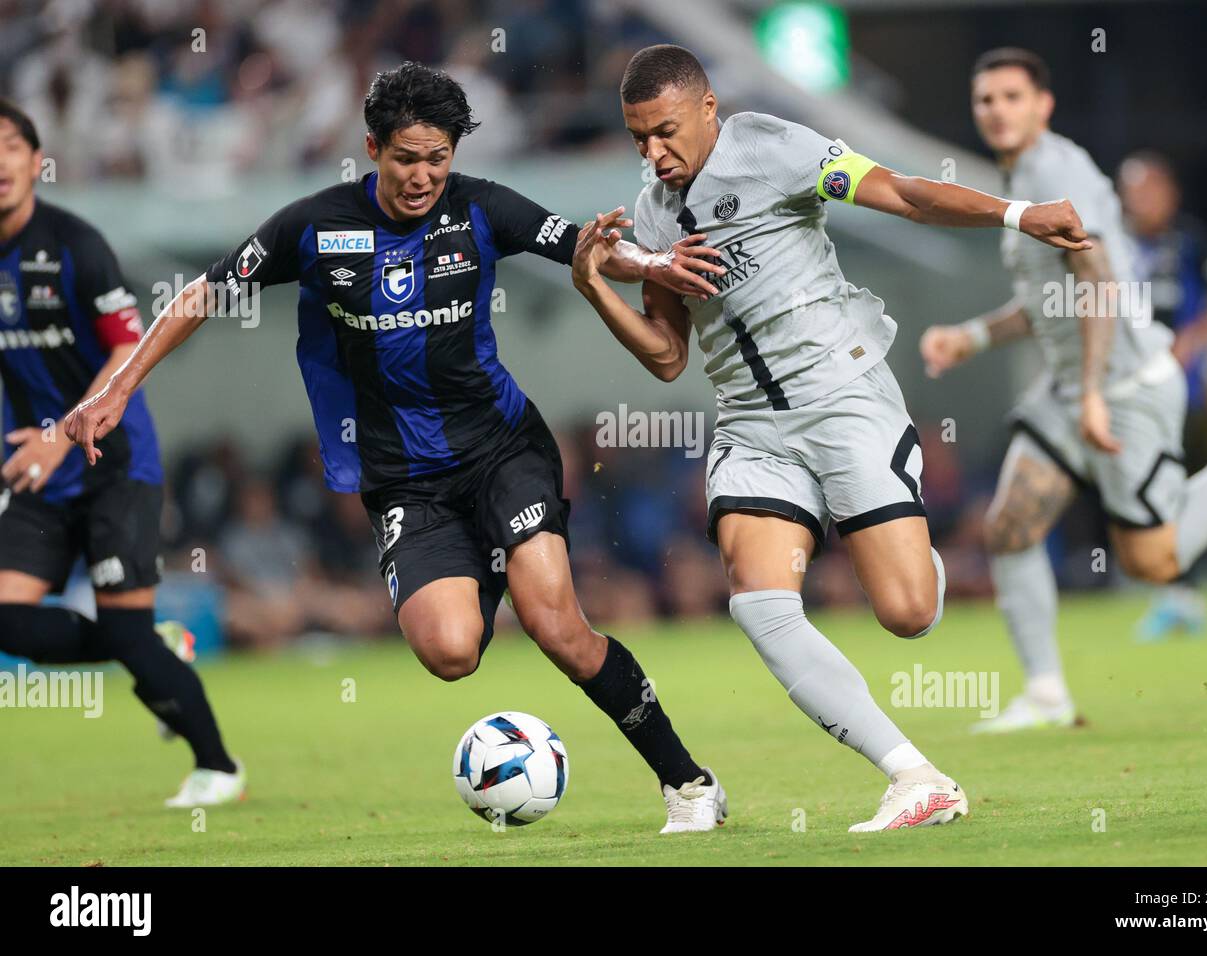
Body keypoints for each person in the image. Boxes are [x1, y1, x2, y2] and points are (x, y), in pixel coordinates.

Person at [65, 63, 729, 833]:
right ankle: (487, 558)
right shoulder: (313, 226)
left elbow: (584, 246)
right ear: (373, 147)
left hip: (502, 451)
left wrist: (652, 263)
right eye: (406, 158)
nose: (422, 176)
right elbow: (203, 293)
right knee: (451, 652)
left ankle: (687, 784)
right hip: (404, 481)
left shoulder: (481, 208)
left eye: (437, 159)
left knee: (559, 631)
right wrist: (116, 389)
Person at [571, 44, 1090, 831]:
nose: (654, 152)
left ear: (709, 107)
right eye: (639, 137)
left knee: (909, 613)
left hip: (842, 396)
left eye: (666, 131)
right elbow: (669, 356)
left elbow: (905, 195)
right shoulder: (650, 211)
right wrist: (594, 288)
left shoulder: (773, 147)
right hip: (751, 425)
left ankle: (914, 548)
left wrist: (1017, 215)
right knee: (758, 601)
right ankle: (914, 775)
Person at [919, 48, 1207, 733]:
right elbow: (1049, 300)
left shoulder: (1055, 173)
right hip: (1070, 387)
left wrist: (1093, 391)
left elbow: (1096, 280)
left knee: (1154, 561)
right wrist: (971, 337)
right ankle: (1045, 694)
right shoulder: (1024, 174)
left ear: (1044, 105)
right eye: (986, 100)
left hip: (1123, 386)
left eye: (1011, 97)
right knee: (1009, 528)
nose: (997, 111)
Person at [0, 98, 241, 807]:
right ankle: (145, 645)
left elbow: (126, 347)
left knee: (126, 629)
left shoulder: (74, 243)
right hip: (38, 472)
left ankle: (218, 767)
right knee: (9, 618)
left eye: (10, 146)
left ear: (34, 160)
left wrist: (62, 430)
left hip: (113, 464)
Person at [1119, 150, 1207, 641]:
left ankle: (1179, 590)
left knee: (1164, 484)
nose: (1140, 200)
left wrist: (1190, 344)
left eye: (1149, 189)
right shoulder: (1115, 243)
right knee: (1143, 485)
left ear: (1170, 192)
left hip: (1174, 384)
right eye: (1132, 191)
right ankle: (1173, 586)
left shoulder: (1192, 240)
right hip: (1126, 383)